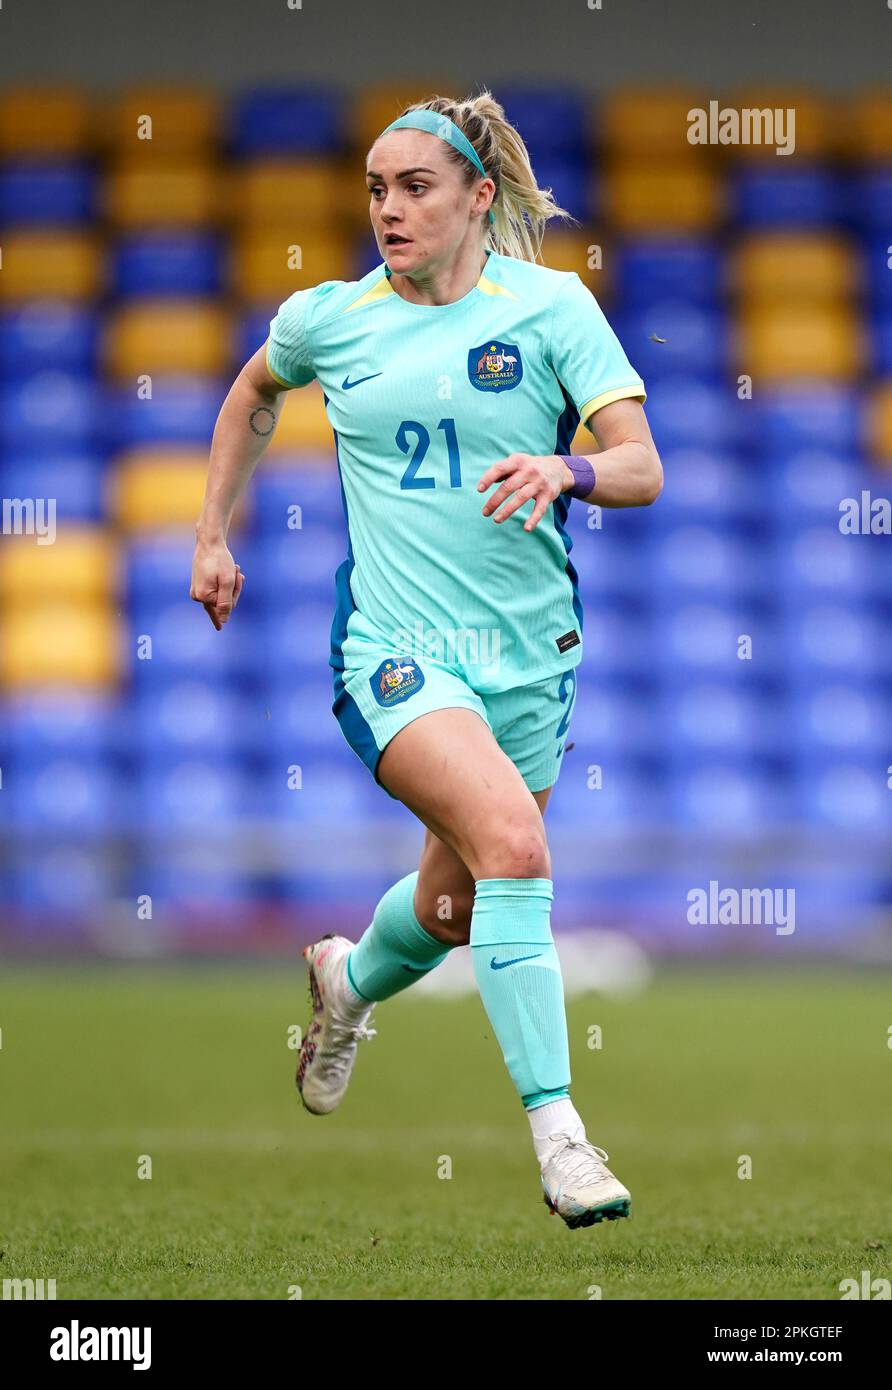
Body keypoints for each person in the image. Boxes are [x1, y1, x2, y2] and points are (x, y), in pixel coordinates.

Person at [190, 89, 662, 1231]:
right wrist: (212, 531)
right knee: (514, 845)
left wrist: (569, 473)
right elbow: (256, 386)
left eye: (415, 189)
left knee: (456, 907)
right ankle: (561, 1139)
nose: (389, 211)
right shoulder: (330, 319)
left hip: (527, 661)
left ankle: (345, 984)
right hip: (396, 656)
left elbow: (642, 464)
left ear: (477, 198)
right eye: (375, 190)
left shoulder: (551, 309)